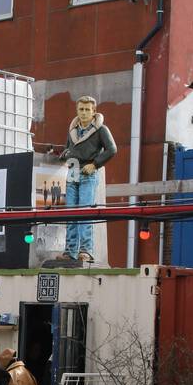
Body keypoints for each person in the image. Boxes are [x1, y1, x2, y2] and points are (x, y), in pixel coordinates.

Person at [61, 95, 116, 265]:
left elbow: (112, 149)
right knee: (70, 213)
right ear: (77, 111)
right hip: (73, 171)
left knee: (85, 212)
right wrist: (65, 155)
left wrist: (95, 164)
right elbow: (67, 148)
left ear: (94, 112)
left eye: (87, 110)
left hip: (88, 172)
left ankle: (86, 250)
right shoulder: (73, 129)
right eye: (81, 109)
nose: (84, 113)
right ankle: (70, 251)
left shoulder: (101, 129)